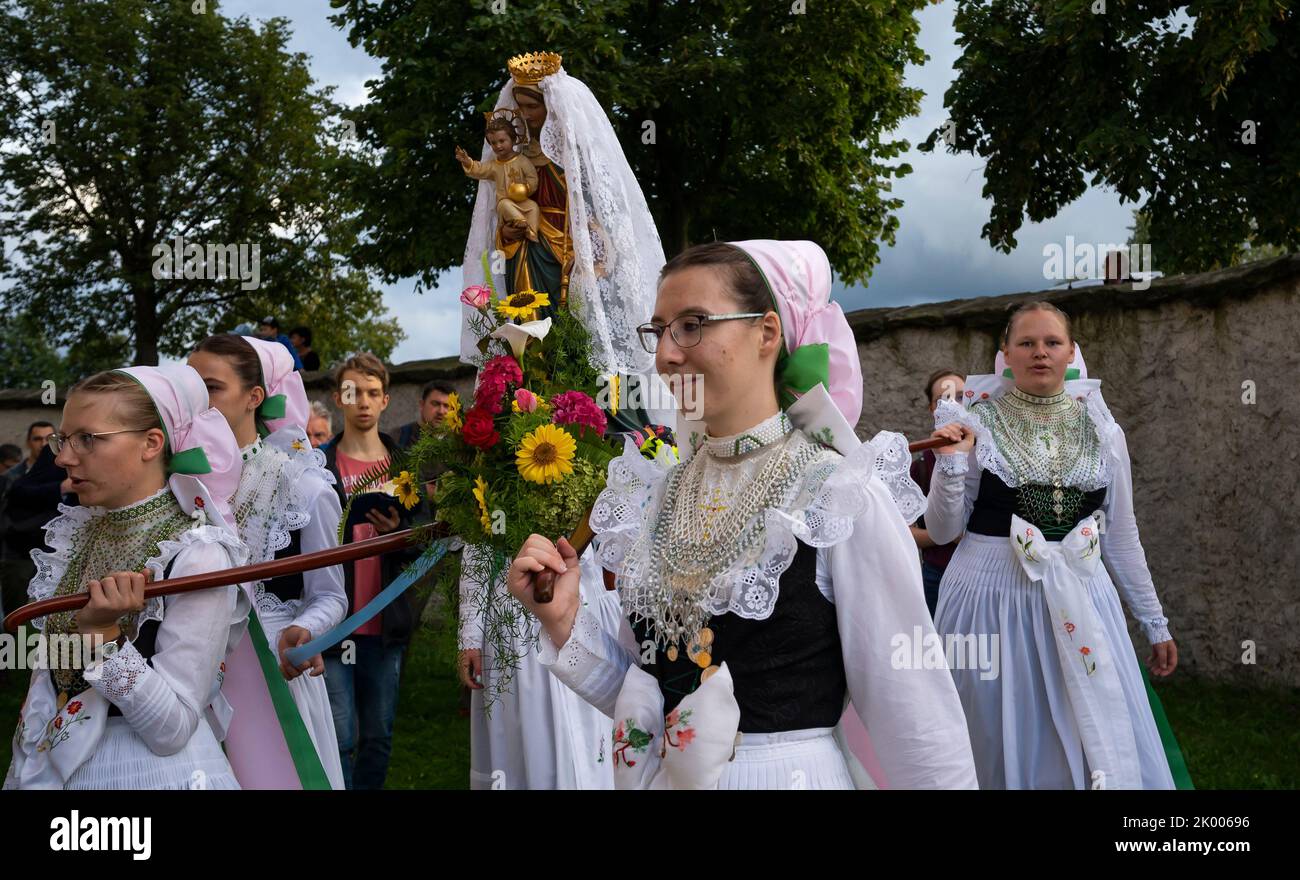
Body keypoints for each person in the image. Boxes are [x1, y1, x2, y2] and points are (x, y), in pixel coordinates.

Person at [507, 240, 978, 789]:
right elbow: (653, 704)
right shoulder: (660, 495)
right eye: (658, 330)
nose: (665, 353)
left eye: (692, 324)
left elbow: (914, 714)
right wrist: (563, 622)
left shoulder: (834, 493)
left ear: (767, 333)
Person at [926, 301, 1177, 790]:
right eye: (1026, 343)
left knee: (1090, 732)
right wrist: (952, 463)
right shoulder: (974, 425)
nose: (1039, 353)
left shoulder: (1104, 431)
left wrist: (1154, 620)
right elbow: (940, 530)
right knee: (997, 732)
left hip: (1084, 596)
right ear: (1006, 354)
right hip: (991, 602)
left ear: (1071, 353)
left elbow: (1121, 534)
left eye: (1052, 343)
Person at [4, 365, 250, 789]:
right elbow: (59, 671)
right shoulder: (77, 535)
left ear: (151, 443)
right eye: (64, 440)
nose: (63, 458)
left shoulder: (197, 554)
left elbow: (172, 728)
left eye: (87, 439)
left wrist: (104, 638)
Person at [189, 334, 347, 789]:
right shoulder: (178, 488)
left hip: (276, 675)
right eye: (191, 389)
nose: (200, 401)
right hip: (192, 678)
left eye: (212, 388)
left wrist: (306, 631)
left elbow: (331, 595)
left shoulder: (304, 488)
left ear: (254, 397)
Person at [320, 353, 420, 789]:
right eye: (352, 392)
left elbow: (427, 540)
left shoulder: (404, 466)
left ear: (385, 401)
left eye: (372, 393)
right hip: (334, 623)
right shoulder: (318, 465)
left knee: (377, 736)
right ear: (337, 398)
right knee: (339, 737)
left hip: (385, 623)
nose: (362, 401)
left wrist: (402, 531)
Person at [909, 369, 966, 617]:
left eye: (961, 396)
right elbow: (905, 531)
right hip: (938, 574)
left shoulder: (990, 459)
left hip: (987, 577)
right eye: (945, 399)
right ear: (932, 408)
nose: (954, 404)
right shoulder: (920, 465)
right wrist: (945, 532)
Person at [457, 115, 540, 243]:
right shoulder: (494, 165)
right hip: (506, 203)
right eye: (493, 143)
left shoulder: (522, 161)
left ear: (513, 139)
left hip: (522, 200)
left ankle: (532, 232)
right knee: (504, 204)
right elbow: (479, 169)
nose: (498, 146)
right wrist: (467, 162)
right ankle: (521, 222)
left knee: (533, 207)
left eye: (502, 141)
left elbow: (532, 177)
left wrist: (526, 188)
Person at [398, 381, 455, 449]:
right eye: (435, 404)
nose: (441, 411)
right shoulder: (400, 437)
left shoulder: (459, 443)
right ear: (422, 405)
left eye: (447, 406)